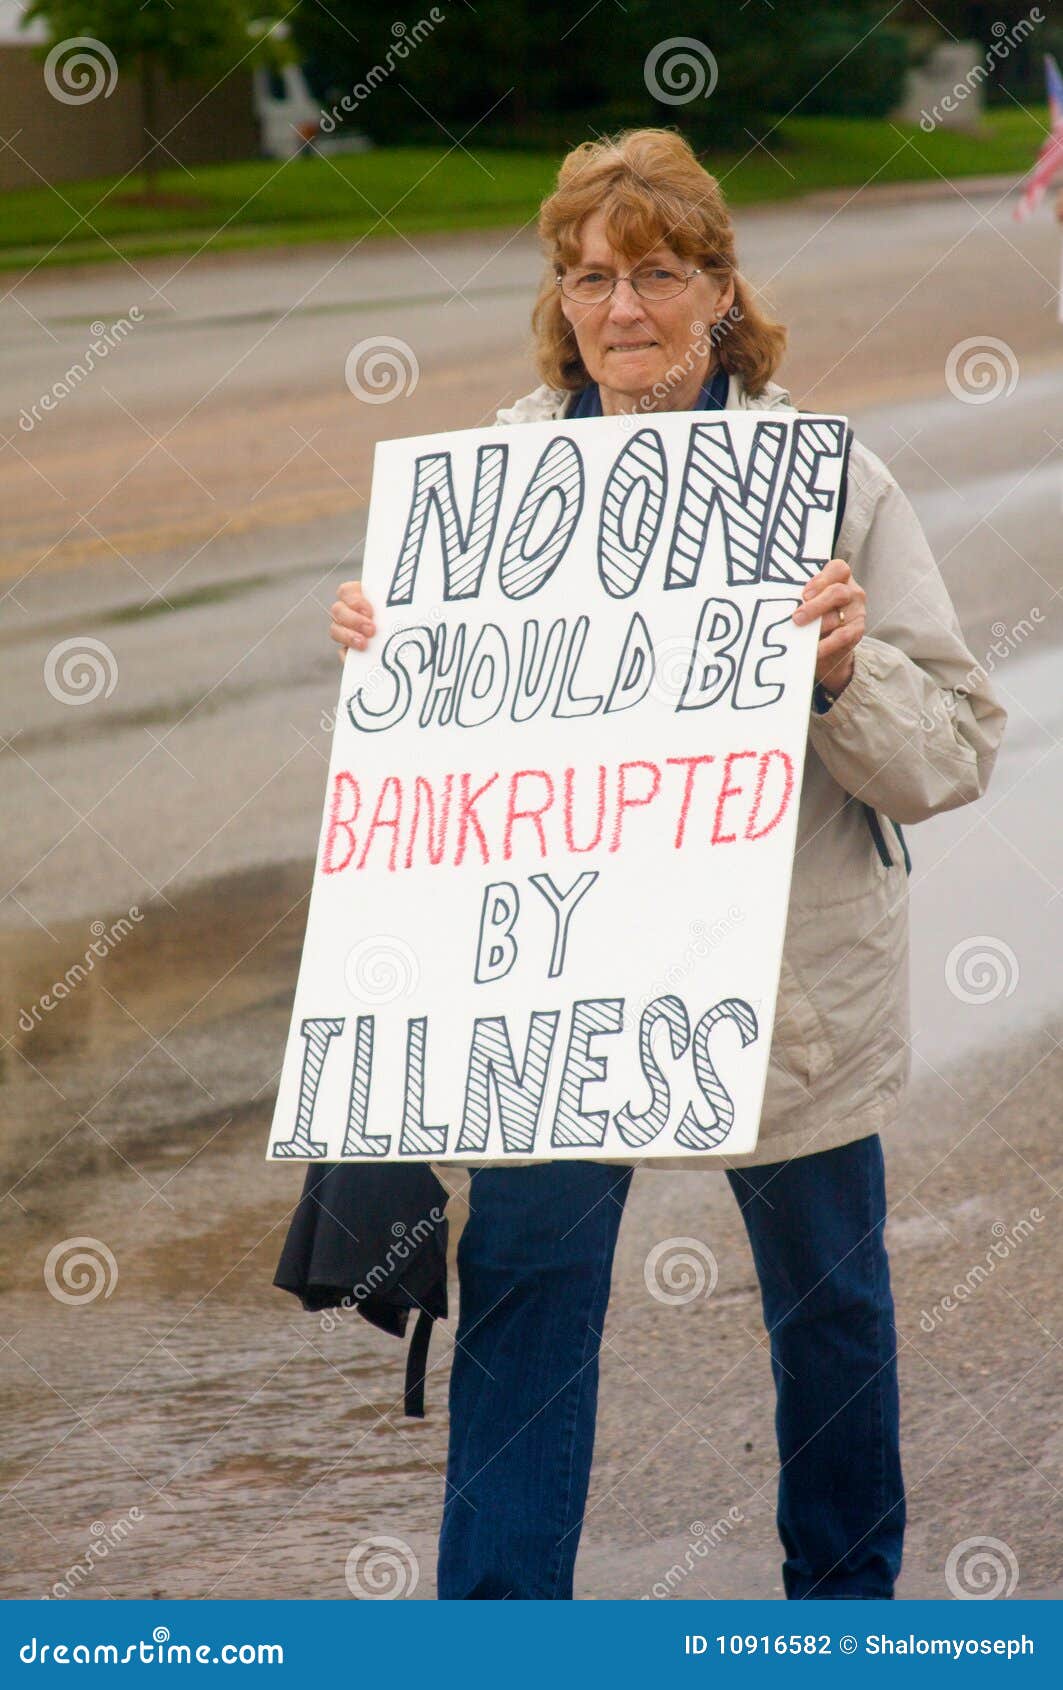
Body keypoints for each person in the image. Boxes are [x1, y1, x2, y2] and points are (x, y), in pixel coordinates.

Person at [327, 130, 1007, 1601]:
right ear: (558, 300)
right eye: (588, 277)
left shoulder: (824, 484)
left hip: (787, 987)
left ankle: (840, 1614)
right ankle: (498, 1634)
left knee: (829, 1306)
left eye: (654, 273)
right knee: (523, 1296)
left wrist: (840, 674)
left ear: (718, 288)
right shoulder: (492, 490)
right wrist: (393, 672)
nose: (620, 308)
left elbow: (952, 747)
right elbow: (431, 792)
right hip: (562, 989)